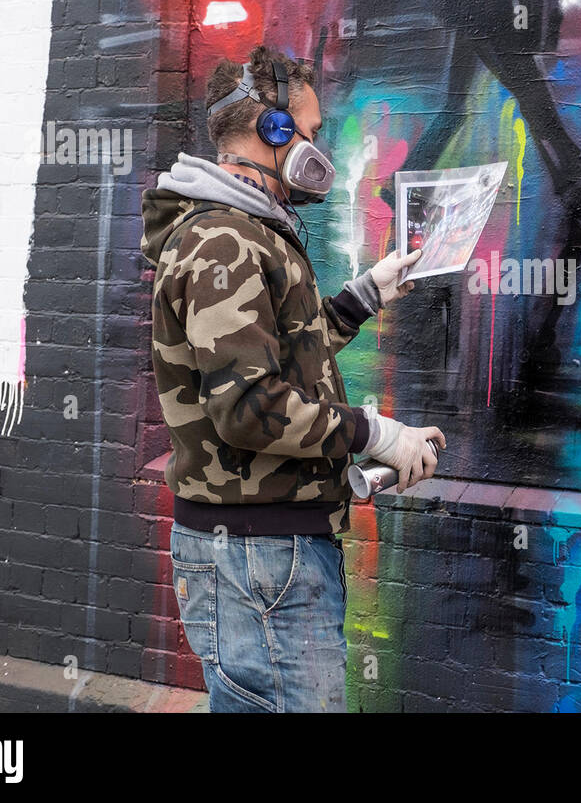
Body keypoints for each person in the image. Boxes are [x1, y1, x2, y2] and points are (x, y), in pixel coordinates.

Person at [140, 44, 445, 712]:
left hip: (263, 550)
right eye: (306, 133)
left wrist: (361, 296)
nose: (315, 150)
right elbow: (248, 405)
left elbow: (278, 356)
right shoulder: (224, 241)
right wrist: (376, 433)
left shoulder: (248, 233)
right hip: (261, 556)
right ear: (271, 131)